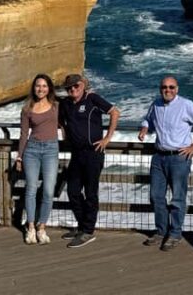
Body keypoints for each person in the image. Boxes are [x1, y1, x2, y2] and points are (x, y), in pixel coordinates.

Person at [138, 76, 193, 251]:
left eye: (171, 87)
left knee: (177, 198)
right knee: (156, 196)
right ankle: (161, 231)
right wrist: (145, 128)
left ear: (177, 89)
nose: (168, 90)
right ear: (160, 89)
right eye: (164, 87)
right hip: (159, 157)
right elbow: (148, 119)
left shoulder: (186, 105)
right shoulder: (156, 104)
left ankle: (175, 233)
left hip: (179, 158)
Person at [57, 73, 120, 248]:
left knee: (91, 193)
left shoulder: (92, 99)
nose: (73, 90)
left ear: (82, 85)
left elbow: (115, 112)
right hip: (77, 153)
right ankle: (82, 226)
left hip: (94, 152)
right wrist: (64, 133)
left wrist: (108, 138)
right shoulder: (66, 104)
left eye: (75, 86)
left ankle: (88, 231)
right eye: (69, 88)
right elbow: (60, 121)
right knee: (73, 191)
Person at [16, 73, 60, 245]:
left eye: (44, 86)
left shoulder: (56, 105)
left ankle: (42, 227)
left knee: (49, 190)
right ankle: (31, 227)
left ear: (49, 88)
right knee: (31, 188)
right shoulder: (27, 109)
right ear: (33, 88)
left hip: (51, 149)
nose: (41, 89)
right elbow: (23, 134)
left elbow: (66, 121)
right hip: (32, 150)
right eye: (37, 86)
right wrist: (19, 156)